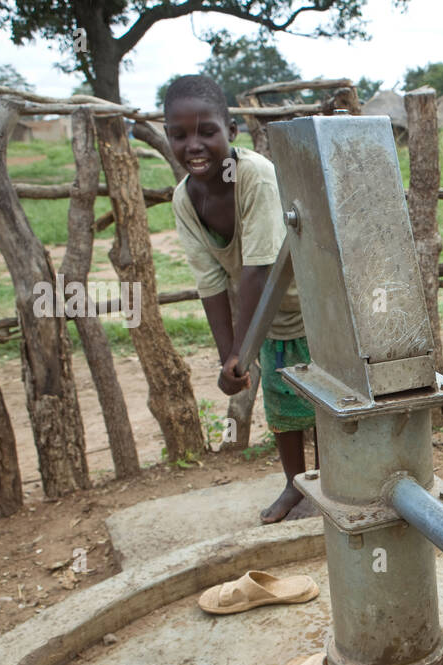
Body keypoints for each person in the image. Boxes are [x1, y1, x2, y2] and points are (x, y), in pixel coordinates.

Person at [165, 74, 316, 523]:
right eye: (179, 135)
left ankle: (325, 485)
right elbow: (211, 283)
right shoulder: (184, 201)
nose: (194, 145)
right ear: (167, 137)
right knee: (281, 404)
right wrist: (228, 358)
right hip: (267, 320)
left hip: (315, 306)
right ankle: (294, 485)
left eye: (206, 131)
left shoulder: (256, 176)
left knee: (324, 403)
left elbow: (258, 268)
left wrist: (241, 349)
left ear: (231, 132)